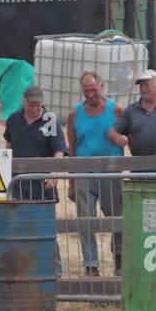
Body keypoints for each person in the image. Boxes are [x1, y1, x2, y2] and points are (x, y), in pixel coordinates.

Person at [65, 70, 124, 276]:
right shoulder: (75, 114)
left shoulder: (115, 110)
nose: (90, 94)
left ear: (102, 87)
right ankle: (91, 264)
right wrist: (72, 181)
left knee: (116, 217)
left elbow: (128, 136)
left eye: (93, 90)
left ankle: (119, 259)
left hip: (110, 172)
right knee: (86, 219)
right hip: (83, 172)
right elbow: (71, 147)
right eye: (86, 91)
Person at [4, 85, 67, 200]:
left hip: (43, 187)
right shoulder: (13, 119)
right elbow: (8, 147)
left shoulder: (50, 121)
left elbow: (59, 150)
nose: (34, 109)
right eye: (30, 105)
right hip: (17, 186)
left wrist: (54, 173)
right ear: (23, 102)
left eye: (37, 105)